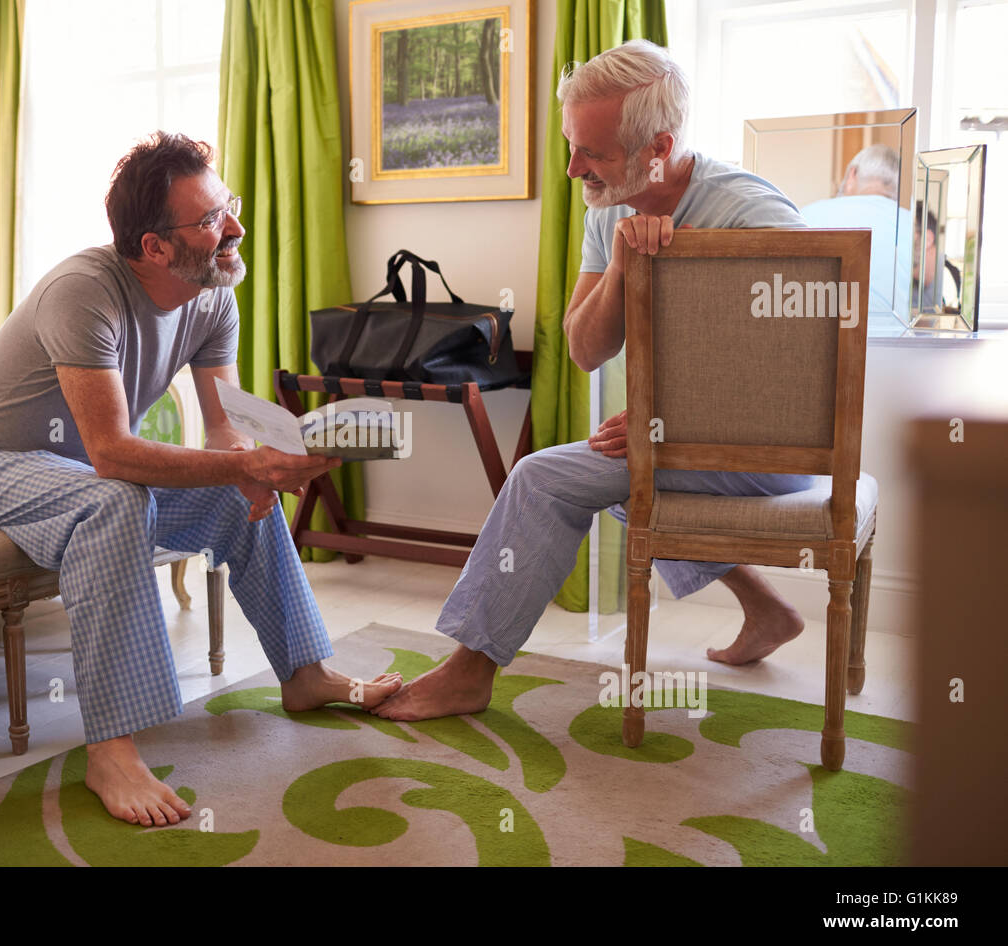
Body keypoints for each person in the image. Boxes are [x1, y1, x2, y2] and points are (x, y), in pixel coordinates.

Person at [0, 132, 401, 825]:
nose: (236, 228)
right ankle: (112, 749)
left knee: (237, 484)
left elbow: (225, 428)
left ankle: (305, 674)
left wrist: (256, 466)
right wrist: (245, 463)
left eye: (229, 206)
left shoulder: (213, 295)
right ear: (154, 247)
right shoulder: (82, 293)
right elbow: (112, 454)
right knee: (116, 498)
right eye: (213, 219)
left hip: (78, 473)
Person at [373, 40, 814, 722]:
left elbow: (801, 377)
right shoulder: (610, 206)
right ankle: (768, 609)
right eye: (571, 146)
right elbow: (583, 350)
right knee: (608, 475)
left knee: (544, 479)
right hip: (683, 443)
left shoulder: (752, 216)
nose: (574, 168)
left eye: (595, 153)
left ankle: (468, 672)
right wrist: (621, 265)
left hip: (772, 448)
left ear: (659, 145)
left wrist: (666, 427)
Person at [801, 144, 913, 331]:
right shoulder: (911, 223)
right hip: (896, 346)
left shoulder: (808, 215)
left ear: (852, 174)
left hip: (827, 342)